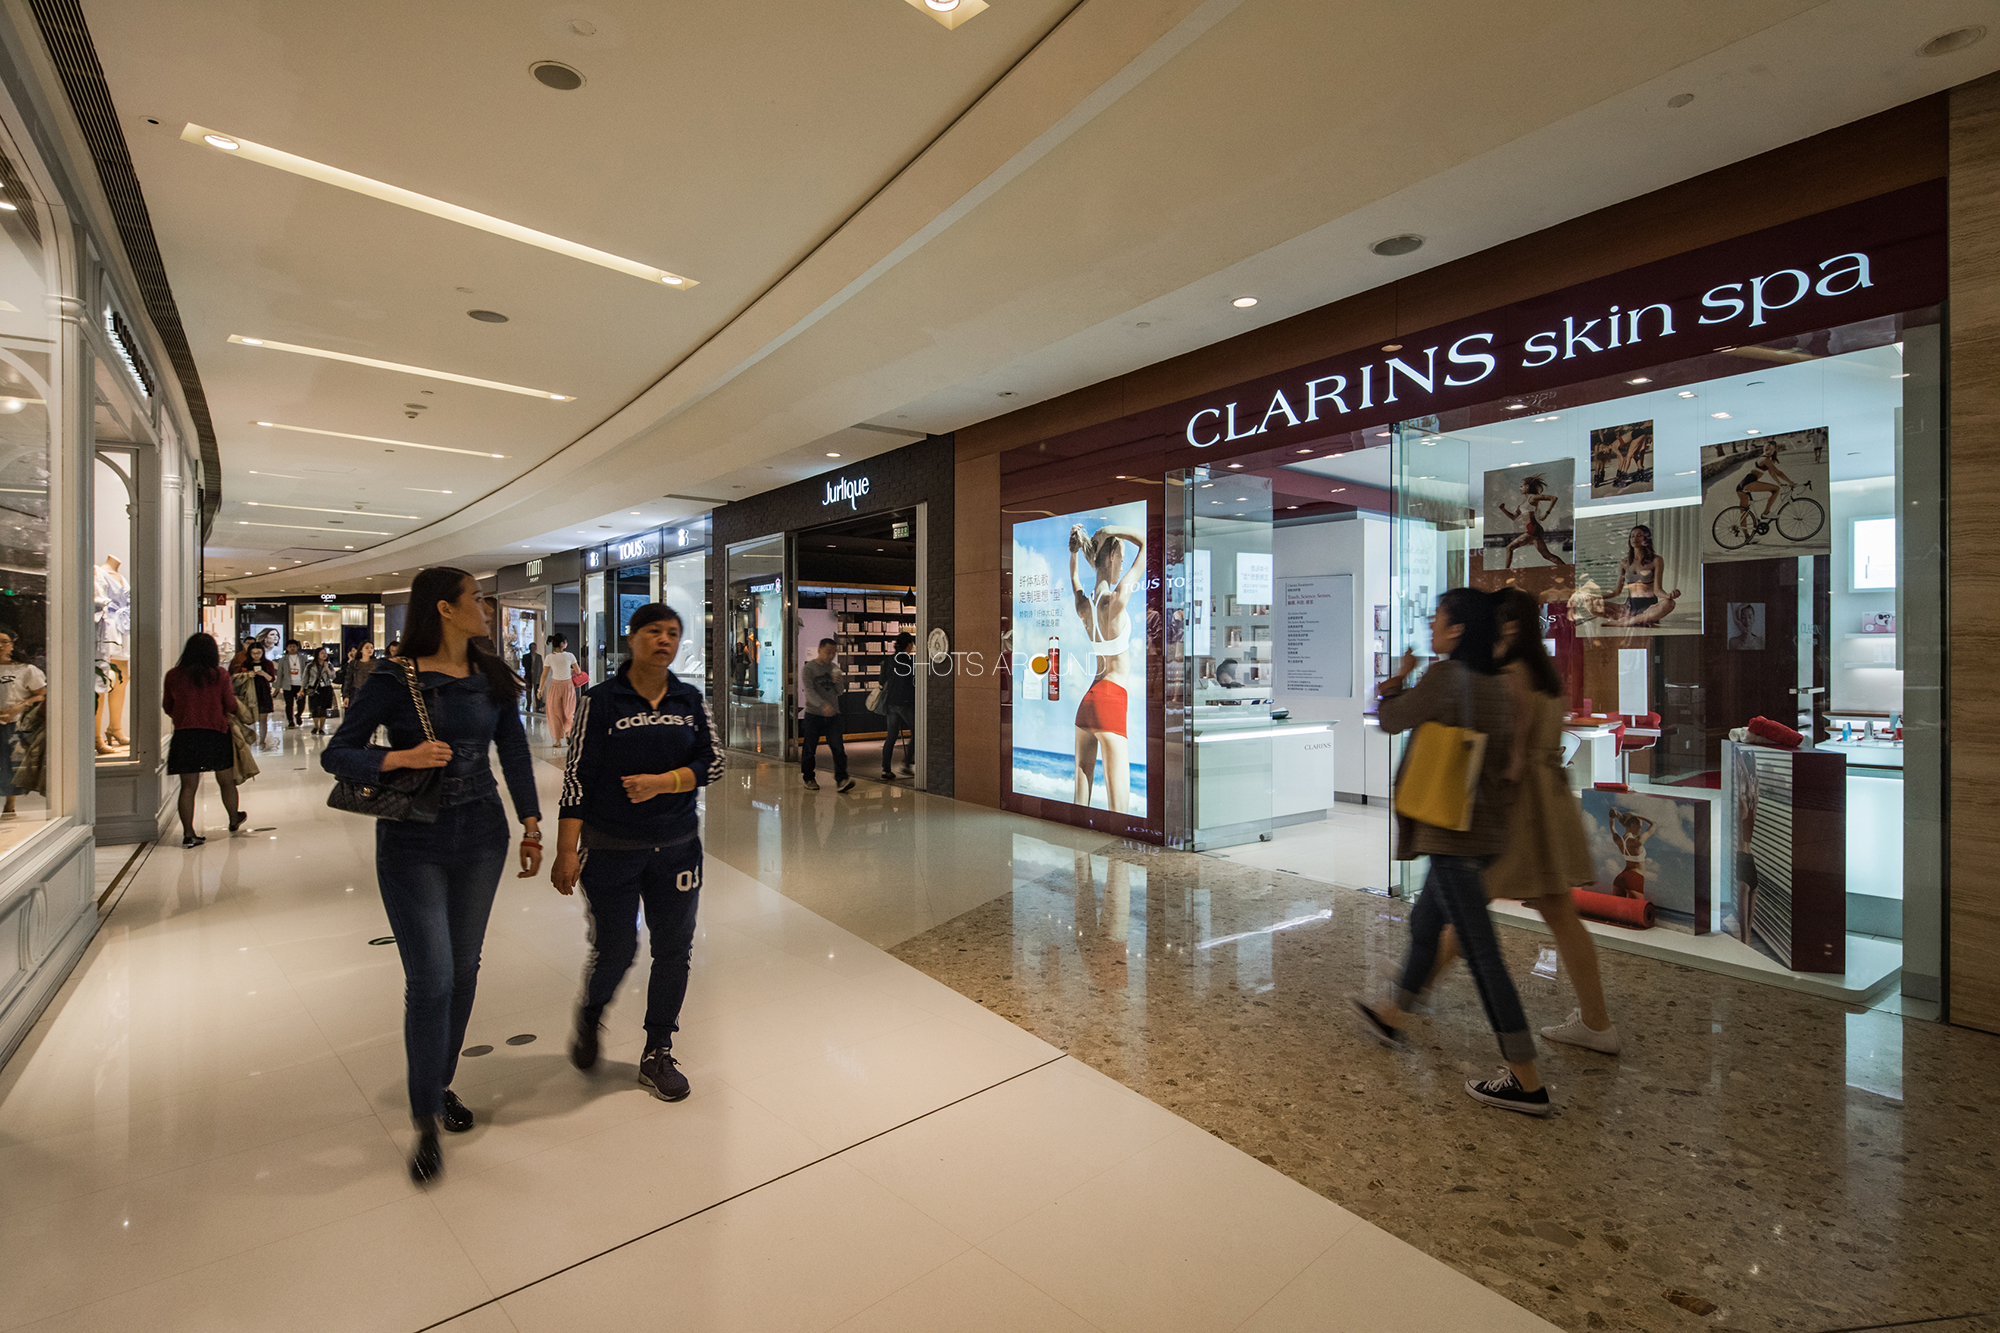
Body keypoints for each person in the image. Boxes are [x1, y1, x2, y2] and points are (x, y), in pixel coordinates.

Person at [323, 566, 543, 1184]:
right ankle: (424, 1118)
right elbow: (337, 751)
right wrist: (401, 756)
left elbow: (516, 750)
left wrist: (531, 823)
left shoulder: (490, 675)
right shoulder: (395, 677)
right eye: (477, 598)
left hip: (481, 835)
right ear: (445, 609)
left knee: (465, 969)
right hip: (412, 839)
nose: (487, 608)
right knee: (433, 978)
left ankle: (439, 1082)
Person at [1353, 588, 1552, 1115]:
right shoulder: (1500, 683)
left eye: (1437, 618)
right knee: (1424, 926)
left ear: (1457, 630)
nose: (1432, 626)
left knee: (1484, 955)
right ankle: (1393, 1014)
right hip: (1484, 831)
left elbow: (1391, 719)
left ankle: (1526, 1078)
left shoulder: (1445, 679)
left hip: (1452, 834)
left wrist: (1397, 679)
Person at [553, 603, 724, 1100]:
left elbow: (712, 762)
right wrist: (567, 850)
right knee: (617, 948)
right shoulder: (602, 701)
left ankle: (658, 1049)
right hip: (611, 849)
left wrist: (663, 783)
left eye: (673, 633)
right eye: (654, 631)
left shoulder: (690, 698)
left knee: (674, 948)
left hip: (677, 847)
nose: (664, 640)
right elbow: (577, 778)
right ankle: (590, 1015)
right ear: (632, 638)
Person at [1484, 588, 1621, 1054]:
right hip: (1551, 798)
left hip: (1523, 807)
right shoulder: (1546, 675)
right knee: (1561, 913)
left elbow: (1512, 752)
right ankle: (1597, 1022)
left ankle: (1406, 998)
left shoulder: (1508, 675)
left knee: (1466, 906)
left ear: (1507, 626)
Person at [1069, 522, 1145, 812]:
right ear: (1112, 557)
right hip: (1111, 700)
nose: (1123, 564)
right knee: (1119, 812)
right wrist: (1116, 529)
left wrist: (1075, 552)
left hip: (1087, 702)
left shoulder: (1083, 606)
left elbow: (1074, 576)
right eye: (1122, 559)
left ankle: (1078, 856)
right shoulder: (1117, 599)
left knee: (1079, 803)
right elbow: (1145, 543)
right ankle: (1116, 859)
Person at [163, 632, 247, 847]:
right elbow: (229, 704)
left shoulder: (173, 675)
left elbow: (168, 706)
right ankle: (233, 819)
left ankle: (189, 833)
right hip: (215, 733)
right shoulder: (219, 675)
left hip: (185, 735)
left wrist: (184, 716)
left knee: (188, 786)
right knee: (226, 781)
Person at [0, 630, 47, 819]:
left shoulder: (25, 669)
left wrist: (19, 707)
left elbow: (41, 693)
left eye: (4, 641)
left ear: (12, 644)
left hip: (12, 723)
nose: (0, 645)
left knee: (9, 763)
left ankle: (9, 806)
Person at [798, 638, 852, 792]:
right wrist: (823, 705)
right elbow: (809, 691)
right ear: (819, 649)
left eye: (834, 653)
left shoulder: (834, 668)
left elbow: (840, 692)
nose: (831, 656)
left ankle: (842, 779)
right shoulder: (809, 668)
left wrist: (838, 681)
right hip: (813, 714)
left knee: (838, 747)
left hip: (833, 715)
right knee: (809, 748)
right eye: (828, 652)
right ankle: (808, 777)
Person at [1498, 474, 1565, 568]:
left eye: (1522, 486)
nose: (1520, 488)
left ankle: (1505, 572)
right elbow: (1513, 517)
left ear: (1527, 487)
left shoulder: (1532, 497)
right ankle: (1565, 568)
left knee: (1509, 547)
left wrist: (1546, 513)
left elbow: (1553, 498)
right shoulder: (1522, 503)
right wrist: (1503, 509)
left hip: (1533, 528)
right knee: (1546, 555)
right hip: (1533, 528)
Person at [880, 631, 916, 781]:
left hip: (891, 702)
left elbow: (882, 681)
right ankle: (907, 763)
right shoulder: (911, 661)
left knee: (891, 736)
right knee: (917, 732)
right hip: (906, 702)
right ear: (909, 645)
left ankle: (885, 769)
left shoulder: (888, 660)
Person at [1734, 439, 1792, 525]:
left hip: (1741, 485)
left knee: (1744, 514)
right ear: (1764, 448)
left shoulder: (1767, 459)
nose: (1769, 451)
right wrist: (1791, 482)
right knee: (1776, 489)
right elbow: (1778, 472)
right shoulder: (1764, 459)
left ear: (1774, 450)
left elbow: (1772, 473)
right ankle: (1766, 513)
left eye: (1771, 449)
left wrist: (1779, 483)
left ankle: (1747, 537)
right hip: (1749, 482)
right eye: (1767, 448)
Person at [234, 642, 277, 748]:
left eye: (259, 653)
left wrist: (263, 673)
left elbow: (272, 678)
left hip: (264, 692)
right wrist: (247, 675)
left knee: (263, 719)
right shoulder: (245, 664)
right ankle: (251, 739)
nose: (257, 655)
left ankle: (262, 741)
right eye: (254, 653)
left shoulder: (268, 664)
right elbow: (236, 678)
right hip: (249, 693)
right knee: (250, 718)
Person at [541, 633, 578, 746]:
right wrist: (569, 670)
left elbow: (544, 675)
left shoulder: (549, 657)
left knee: (555, 713)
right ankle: (568, 734)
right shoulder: (570, 656)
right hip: (568, 686)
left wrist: (540, 690)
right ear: (562, 643)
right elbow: (578, 671)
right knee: (569, 712)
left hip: (555, 687)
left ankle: (557, 741)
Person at [303, 645, 338, 735]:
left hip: (325, 687)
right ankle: (315, 726)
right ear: (317, 654)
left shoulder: (329, 665)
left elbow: (333, 677)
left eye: (325, 653)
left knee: (323, 708)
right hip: (313, 687)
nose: (324, 655)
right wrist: (303, 688)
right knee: (314, 707)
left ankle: (321, 728)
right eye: (322, 653)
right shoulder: (310, 665)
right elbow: (305, 678)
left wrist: (326, 668)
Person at [275, 638, 307, 729]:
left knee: (301, 703)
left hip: (300, 685)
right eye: (290, 646)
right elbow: (280, 674)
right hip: (288, 685)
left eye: (294, 646)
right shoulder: (283, 660)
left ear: (297, 647)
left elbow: (306, 671)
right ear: (287, 648)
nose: (292, 648)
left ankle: (299, 715)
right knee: (289, 704)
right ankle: (290, 721)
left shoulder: (302, 658)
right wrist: (278, 686)